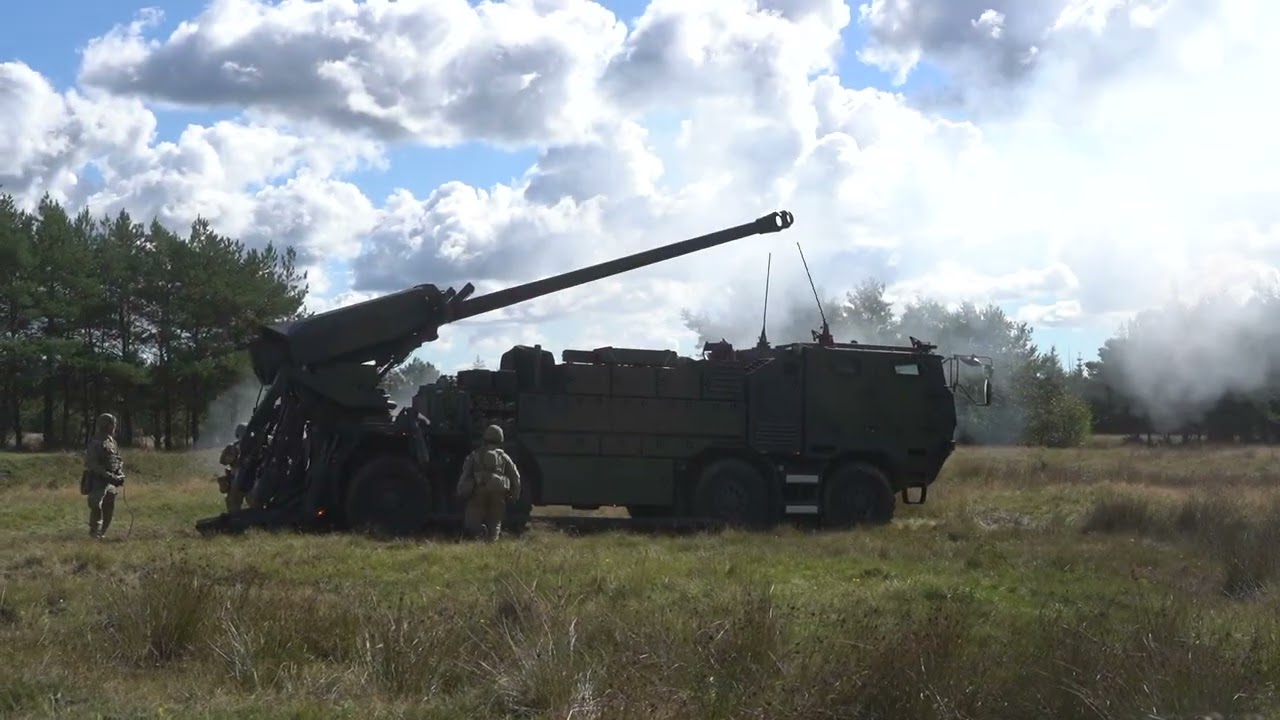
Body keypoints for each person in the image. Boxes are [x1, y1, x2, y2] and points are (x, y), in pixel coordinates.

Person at [455, 424, 521, 541]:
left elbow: (465, 474)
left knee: (473, 518)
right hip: (498, 492)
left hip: (478, 491)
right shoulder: (504, 457)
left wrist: (461, 490)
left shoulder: (475, 455)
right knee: (495, 521)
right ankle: (492, 541)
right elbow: (515, 477)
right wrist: (515, 495)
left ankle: (477, 537)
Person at [82, 413, 125, 539]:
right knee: (96, 506)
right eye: (112, 425)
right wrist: (108, 476)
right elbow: (93, 464)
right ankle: (94, 534)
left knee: (109, 506)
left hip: (111, 481)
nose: (114, 427)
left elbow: (117, 459)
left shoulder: (112, 442)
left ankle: (102, 533)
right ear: (106, 425)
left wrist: (119, 472)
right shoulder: (95, 443)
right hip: (98, 481)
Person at [218, 423, 249, 513]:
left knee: (233, 500)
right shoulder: (234, 447)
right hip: (238, 476)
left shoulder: (236, 446)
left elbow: (223, 461)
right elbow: (223, 461)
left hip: (243, 477)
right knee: (233, 499)